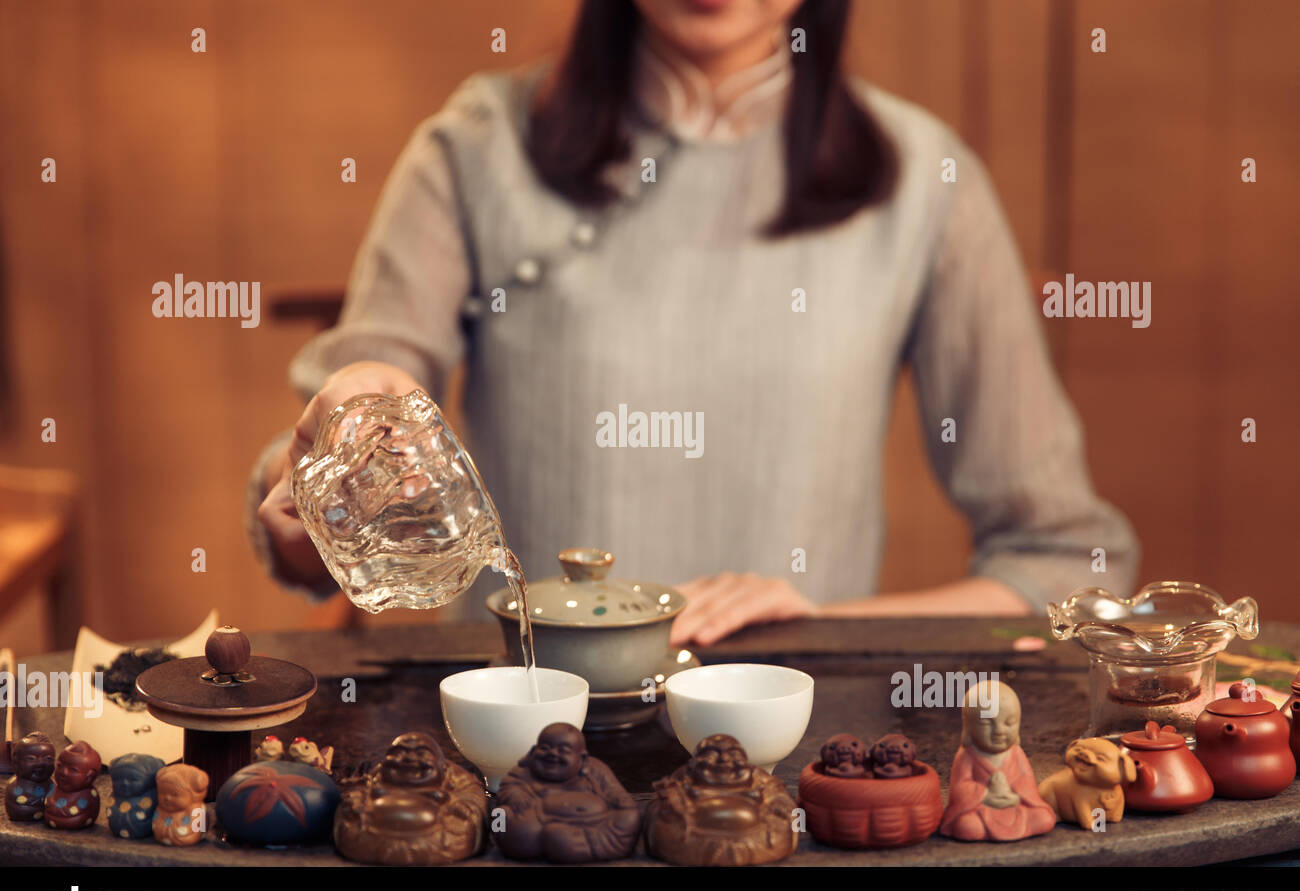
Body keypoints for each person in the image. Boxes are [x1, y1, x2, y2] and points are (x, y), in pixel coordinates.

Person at [250, 0, 1138, 646]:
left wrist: (814, 627)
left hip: (791, 766)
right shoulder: (477, 146)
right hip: (513, 758)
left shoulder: (925, 181)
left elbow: (1067, 560)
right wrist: (330, 468)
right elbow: (311, 508)